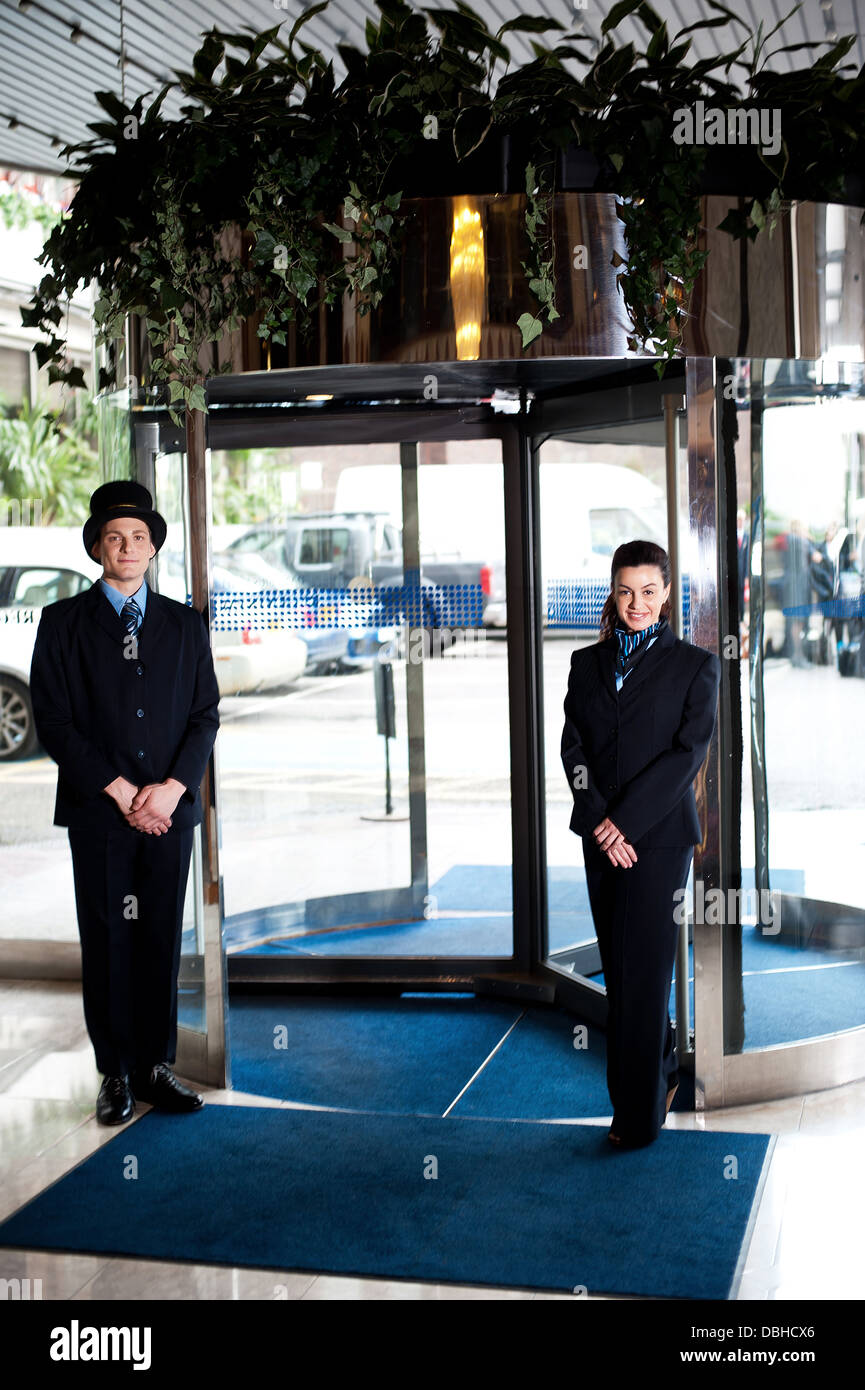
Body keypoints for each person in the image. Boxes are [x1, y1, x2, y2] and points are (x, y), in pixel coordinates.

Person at [29, 481, 220, 1125]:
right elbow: (53, 723)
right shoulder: (63, 625)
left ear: (154, 547)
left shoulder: (185, 626)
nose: (128, 547)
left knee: (161, 933)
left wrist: (170, 790)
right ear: (95, 548)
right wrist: (118, 790)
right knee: (108, 936)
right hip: (99, 814)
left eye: (139, 537)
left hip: (168, 814)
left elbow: (205, 717)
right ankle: (113, 1072)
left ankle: (153, 1067)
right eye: (115, 536)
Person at [561, 539, 721, 1149]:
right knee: (623, 969)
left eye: (648, 591)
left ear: (667, 594)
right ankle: (660, 1070)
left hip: (657, 840)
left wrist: (624, 822)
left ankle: (634, 1118)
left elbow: (688, 757)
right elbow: (572, 751)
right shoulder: (585, 664)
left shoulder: (694, 666)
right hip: (601, 840)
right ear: (613, 591)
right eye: (626, 591)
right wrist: (600, 820)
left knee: (643, 974)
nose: (636, 603)